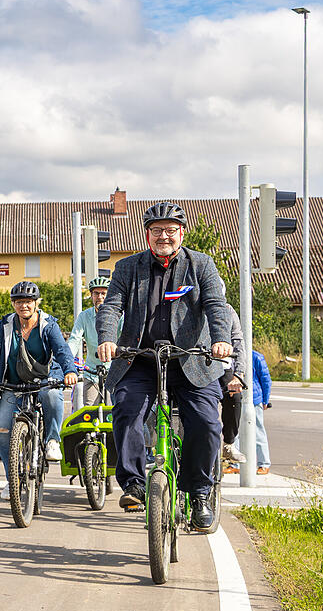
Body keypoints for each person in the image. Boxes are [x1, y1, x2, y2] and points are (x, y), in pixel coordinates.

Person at [96, 202, 232, 531]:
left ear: (181, 233)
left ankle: (199, 492)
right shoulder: (128, 268)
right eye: (157, 231)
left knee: (206, 422)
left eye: (170, 230)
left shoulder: (201, 265)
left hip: (191, 359)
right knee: (126, 409)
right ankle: (134, 484)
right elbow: (112, 306)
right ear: (147, 235)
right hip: (141, 358)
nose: (164, 236)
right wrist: (106, 338)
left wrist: (221, 339)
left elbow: (216, 305)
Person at [0, 282, 78, 500]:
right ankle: (12, 479)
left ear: (36, 303)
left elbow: (61, 350)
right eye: (19, 301)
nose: (24, 306)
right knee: (2, 429)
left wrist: (69, 371)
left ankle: (51, 440)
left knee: (50, 394)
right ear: (13, 303)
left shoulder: (48, 325)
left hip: (45, 380)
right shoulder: (7, 325)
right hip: (14, 383)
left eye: (28, 301)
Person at [67, 276, 121, 406]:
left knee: (113, 414)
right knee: (90, 413)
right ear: (91, 295)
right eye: (96, 293)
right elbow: (74, 339)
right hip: (91, 372)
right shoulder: (84, 316)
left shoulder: (119, 316)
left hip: (114, 372)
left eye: (104, 293)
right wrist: (66, 361)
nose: (100, 297)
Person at [219, 304, 248, 472]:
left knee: (235, 396)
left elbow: (238, 341)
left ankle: (229, 444)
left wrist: (239, 374)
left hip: (223, 367)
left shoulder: (228, 310)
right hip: (194, 366)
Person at [250, 350, 272, 475]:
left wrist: (265, 400)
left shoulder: (257, 357)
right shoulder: (234, 354)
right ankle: (234, 464)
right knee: (236, 432)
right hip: (237, 397)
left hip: (254, 399)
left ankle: (264, 463)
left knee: (258, 431)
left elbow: (266, 380)